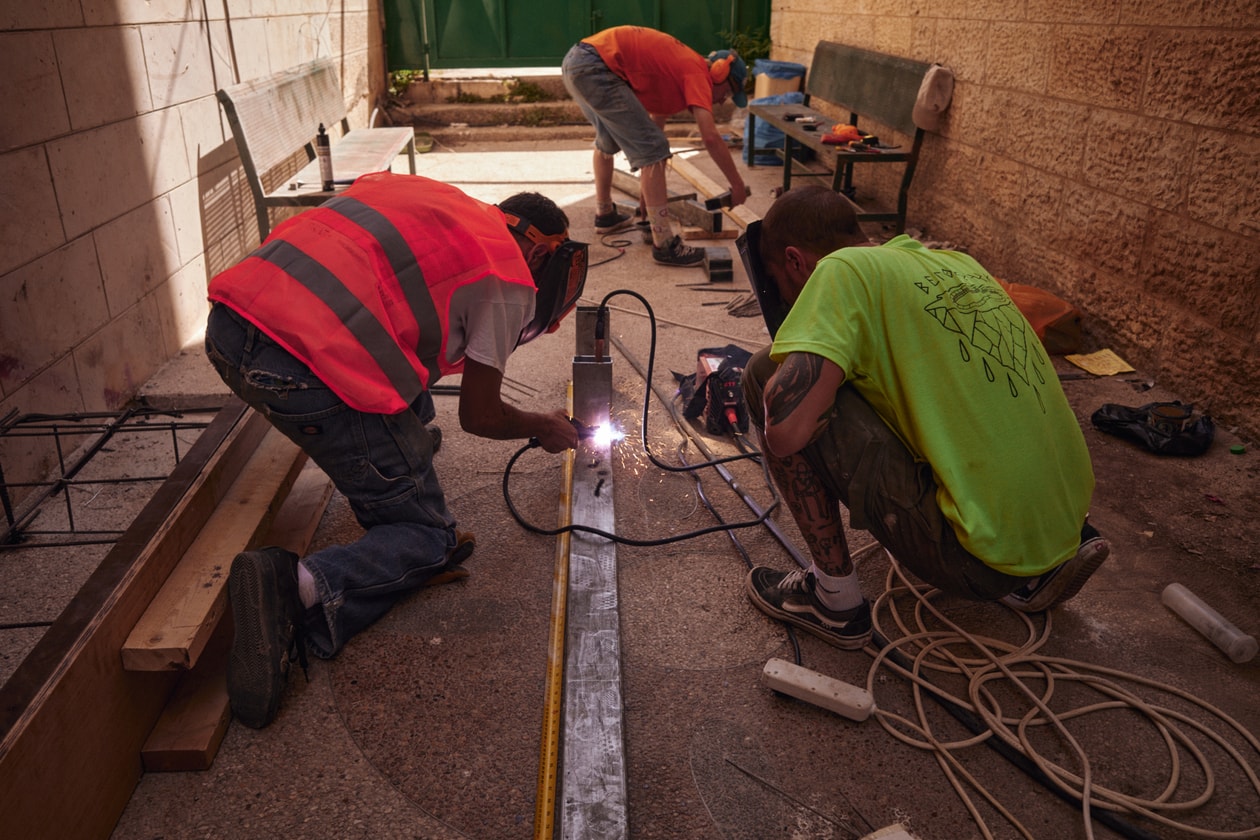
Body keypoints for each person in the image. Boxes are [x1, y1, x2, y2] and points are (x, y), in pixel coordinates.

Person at [204, 172, 584, 728]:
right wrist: (542, 426)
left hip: (229, 329)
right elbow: (480, 416)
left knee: (409, 397)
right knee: (430, 538)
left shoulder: (439, 205)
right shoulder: (509, 274)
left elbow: (394, 304)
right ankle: (298, 586)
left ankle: (393, 447)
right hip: (304, 373)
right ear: (538, 248)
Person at [741, 186, 1109, 649]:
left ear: (795, 261)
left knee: (763, 374)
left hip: (974, 562)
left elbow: (786, 435)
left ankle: (832, 599)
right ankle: (1034, 562)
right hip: (1062, 527)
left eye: (781, 282)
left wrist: (801, 377)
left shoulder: (836, 271)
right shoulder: (959, 264)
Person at [562, 25, 749, 267]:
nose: (725, 100)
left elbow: (652, 132)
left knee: (609, 141)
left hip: (578, 63)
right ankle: (665, 245)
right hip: (597, 66)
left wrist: (647, 201)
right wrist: (736, 185)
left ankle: (605, 215)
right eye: (729, 92)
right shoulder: (698, 73)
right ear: (720, 73)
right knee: (656, 149)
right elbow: (710, 137)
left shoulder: (678, 71)